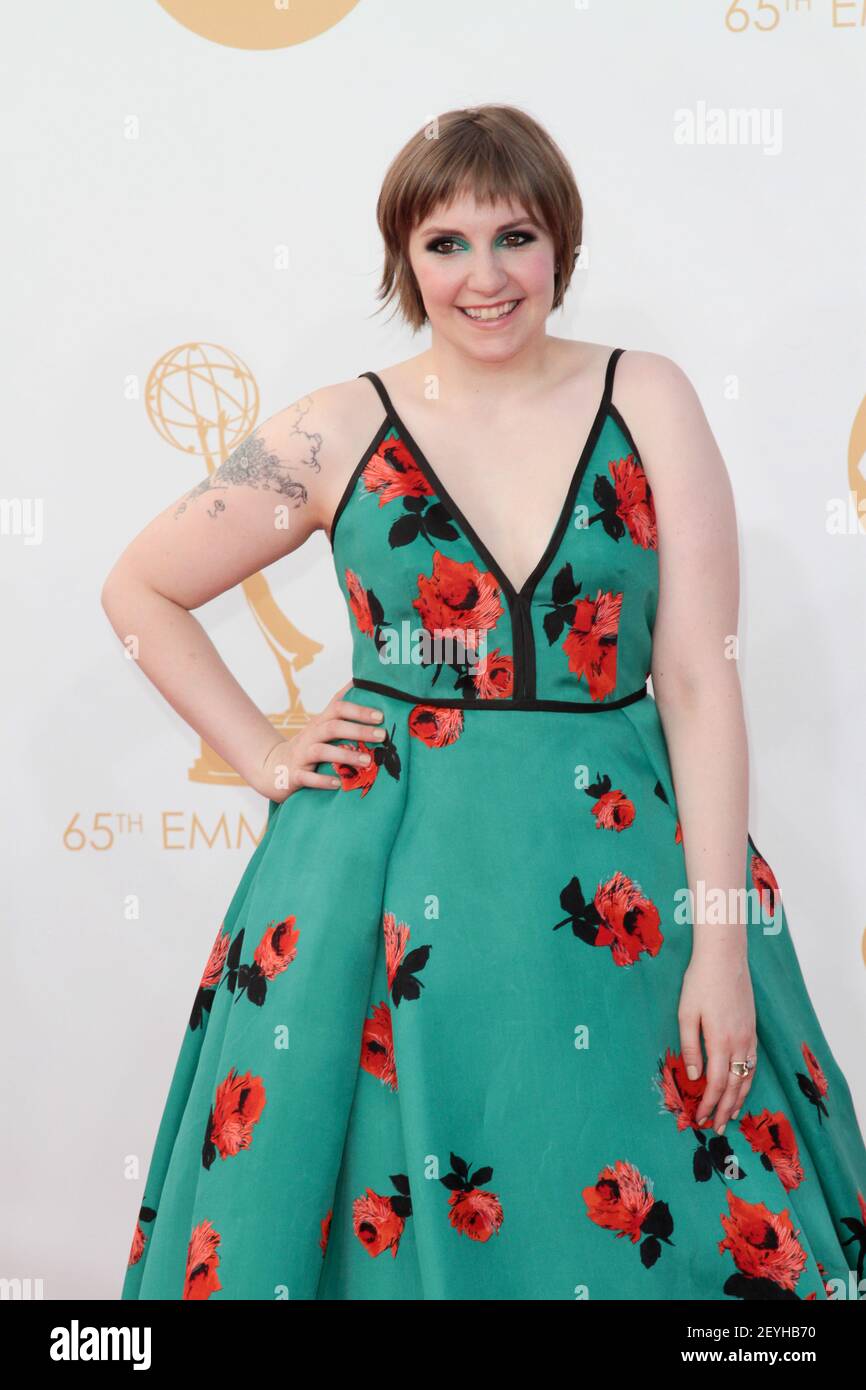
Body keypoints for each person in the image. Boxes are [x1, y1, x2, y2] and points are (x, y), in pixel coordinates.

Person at [104, 104, 866, 1301]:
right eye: (444, 243)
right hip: (376, 881)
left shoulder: (648, 397)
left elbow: (699, 680)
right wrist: (259, 750)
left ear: (559, 241)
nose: (484, 276)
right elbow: (140, 585)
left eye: (512, 236)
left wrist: (718, 937)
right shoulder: (330, 427)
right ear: (402, 259)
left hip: (626, 883)